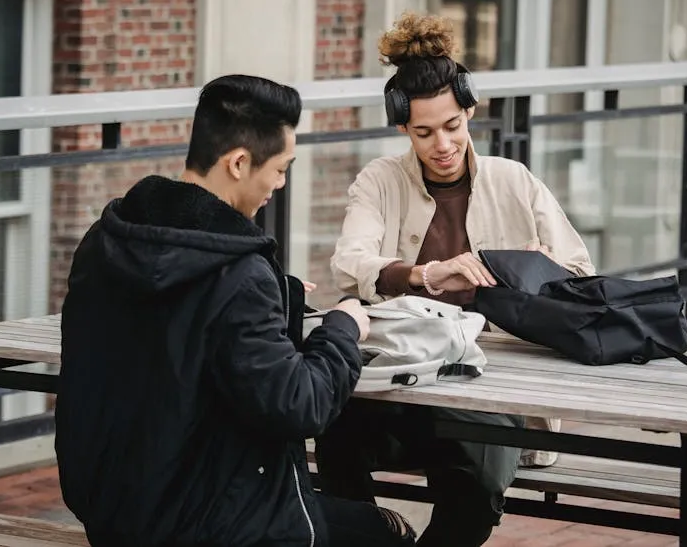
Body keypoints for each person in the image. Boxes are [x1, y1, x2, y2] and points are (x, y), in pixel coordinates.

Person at [55, 75, 416, 547]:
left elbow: (182, 331)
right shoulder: (238, 274)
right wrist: (344, 327)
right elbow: (299, 405)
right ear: (240, 162)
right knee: (389, 533)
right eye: (282, 168)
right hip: (210, 524)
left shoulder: (109, 241)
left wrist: (277, 296)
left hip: (114, 512)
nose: (281, 184)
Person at [319, 13, 595, 546]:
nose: (442, 144)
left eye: (452, 126)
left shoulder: (514, 182)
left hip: (489, 387)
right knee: (335, 434)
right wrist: (425, 272)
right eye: (423, 132)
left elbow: (582, 278)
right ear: (403, 127)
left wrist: (522, 272)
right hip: (400, 382)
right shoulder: (381, 181)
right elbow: (349, 265)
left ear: (470, 111)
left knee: (475, 485)